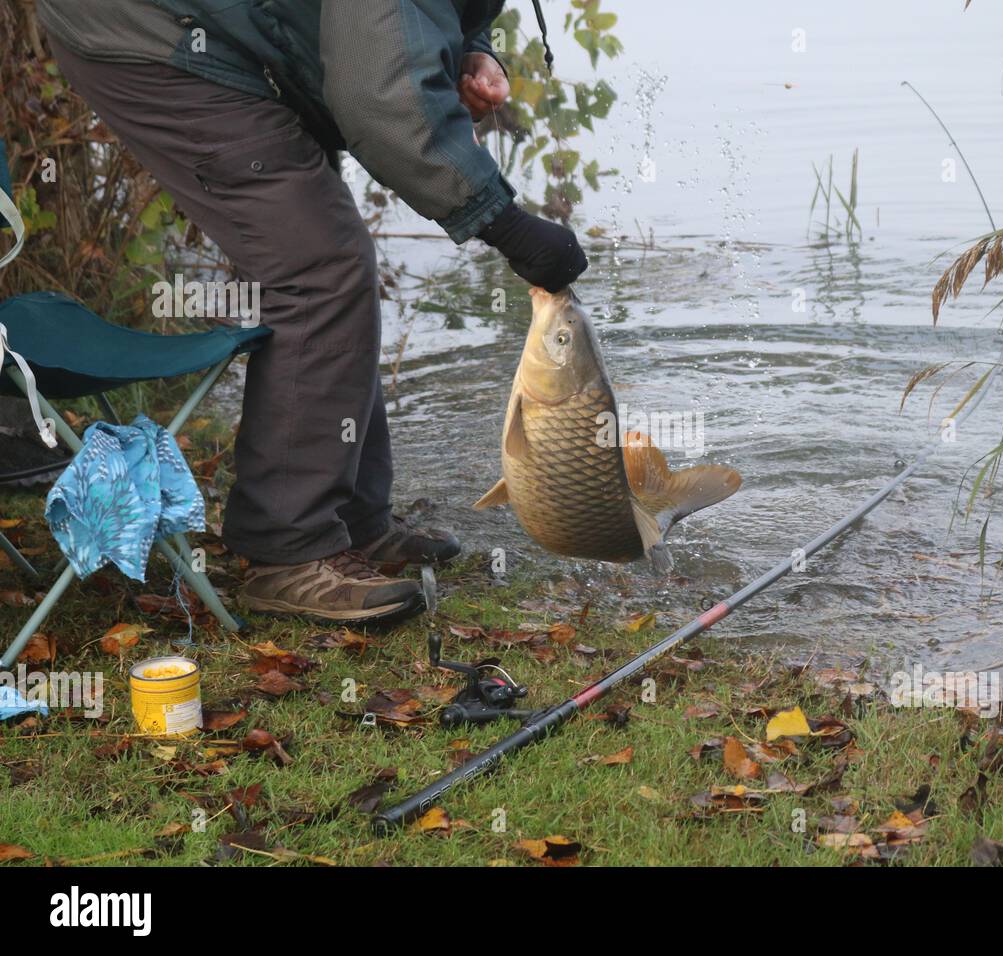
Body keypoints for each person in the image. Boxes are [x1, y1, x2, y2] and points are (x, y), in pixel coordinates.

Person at [32, 0, 588, 623]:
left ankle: (348, 519)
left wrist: (472, 45)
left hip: (233, 32)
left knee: (325, 253)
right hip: (151, 30)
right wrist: (506, 225)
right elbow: (377, 95)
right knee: (319, 265)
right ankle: (288, 551)